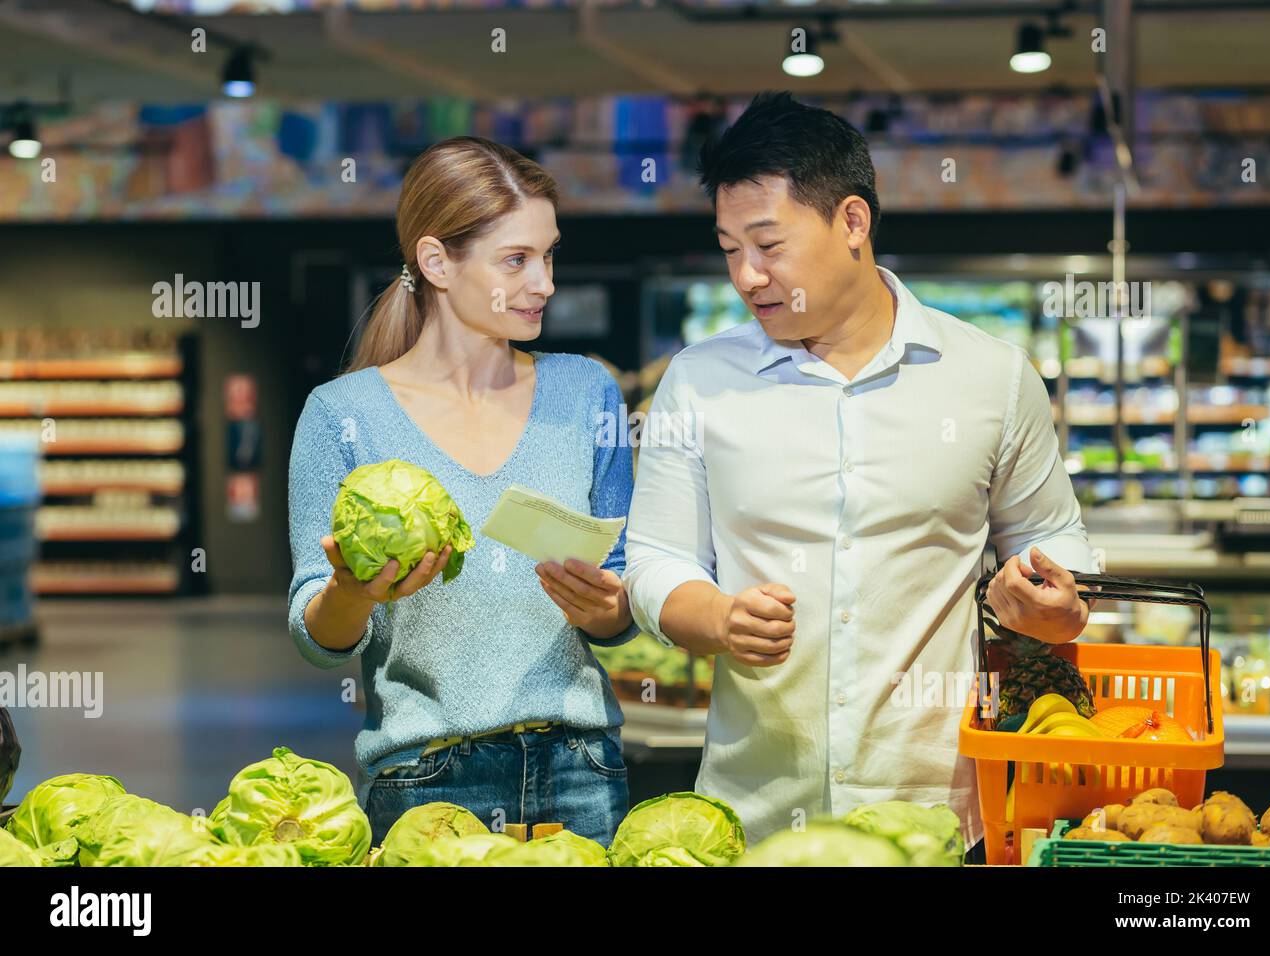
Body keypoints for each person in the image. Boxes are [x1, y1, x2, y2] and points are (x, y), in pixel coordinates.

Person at [623, 92, 1097, 849]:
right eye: (728, 248)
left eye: (768, 246)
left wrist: (1055, 604)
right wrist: (715, 618)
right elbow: (655, 557)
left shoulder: (990, 377)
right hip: (752, 822)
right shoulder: (698, 380)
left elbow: (1053, 538)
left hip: (938, 821)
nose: (746, 277)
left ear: (852, 221)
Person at [287, 137, 637, 846]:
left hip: (583, 767)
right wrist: (353, 592)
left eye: (549, 255)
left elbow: (623, 599)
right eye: (517, 260)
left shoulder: (586, 391)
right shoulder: (341, 413)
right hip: (427, 785)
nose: (545, 283)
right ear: (437, 262)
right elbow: (315, 636)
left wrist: (608, 606)